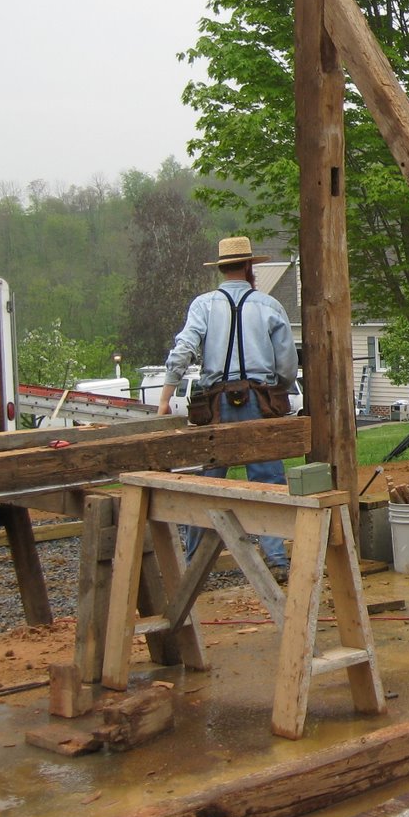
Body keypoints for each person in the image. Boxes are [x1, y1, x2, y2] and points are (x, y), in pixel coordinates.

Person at [159, 235, 298, 579]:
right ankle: (277, 560)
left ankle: (194, 567)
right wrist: (278, 388)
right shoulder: (268, 306)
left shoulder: (204, 305)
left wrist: (166, 397)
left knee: (208, 484)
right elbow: (287, 364)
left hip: (216, 403)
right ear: (250, 267)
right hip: (259, 400)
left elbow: (183, 349)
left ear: (221, 268)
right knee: (268, 481)